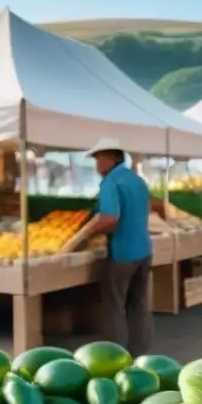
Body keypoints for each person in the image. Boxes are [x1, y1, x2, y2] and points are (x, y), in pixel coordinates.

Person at [61, 138, 152, 355]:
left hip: (123, 253)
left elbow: (109, 218)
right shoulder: (137, 179)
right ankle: (139, 354)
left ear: (112, 157)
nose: (96, 165)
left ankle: (116, 356)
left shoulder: (111, 182)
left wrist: (82, 236)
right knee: (138, 306)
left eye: (98, 159)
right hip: (144, 250)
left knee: (114, 308)